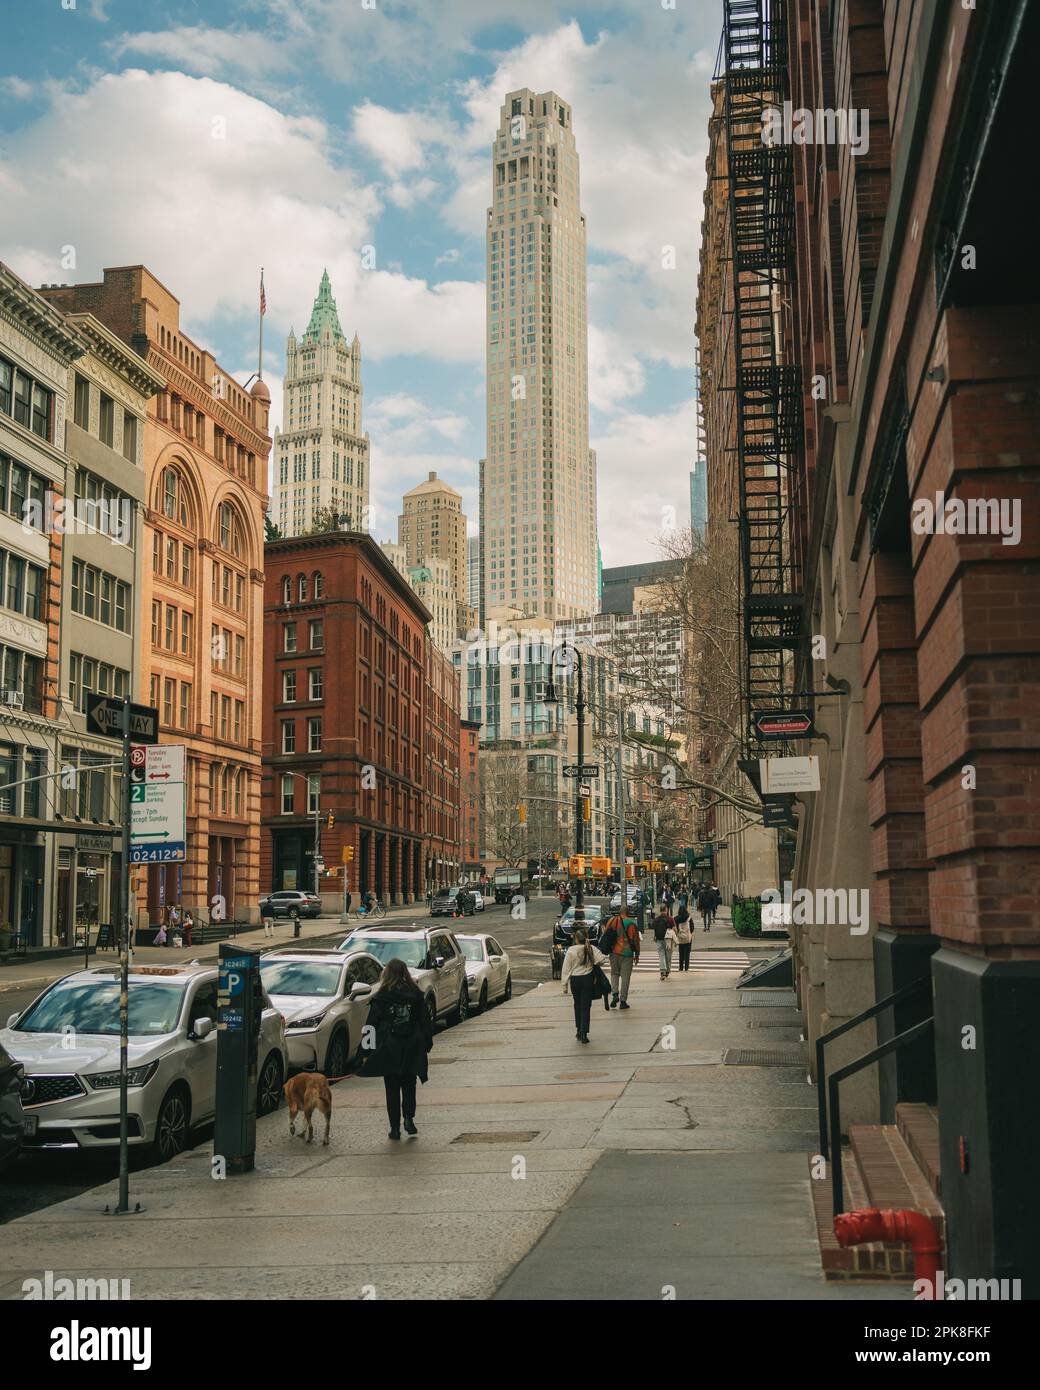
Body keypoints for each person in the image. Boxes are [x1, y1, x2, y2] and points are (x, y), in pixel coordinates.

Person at [359, 956, 434, 1140]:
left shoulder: (382, 995)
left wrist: (365, 1051)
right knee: (409, 1083)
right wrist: (426, 1043)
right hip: (411, 1046)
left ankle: (394, 1128)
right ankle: (409, 1117)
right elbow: (425, 1020)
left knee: (391, 1088)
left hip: (390, 1046)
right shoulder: (416, 994)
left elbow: (371, 1024)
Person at [561, 927, 609, 1044]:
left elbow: (566, 968)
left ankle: (578, 1029)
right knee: (586, 1007)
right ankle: (584, 1032)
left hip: (575, 980)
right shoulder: (591, 948)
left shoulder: (571, 950)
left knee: (577, 1005)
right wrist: (594, 962)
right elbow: (602, 959)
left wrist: (564, 985)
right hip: (587, 979)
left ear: (576, 939)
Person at [597, 908, 641, 1009]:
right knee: (625, 978)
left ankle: (615, 994)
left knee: (614, 974)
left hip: (614, 952)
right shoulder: (631, 923)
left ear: (619, 912)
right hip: (627, 953)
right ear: (628, 912)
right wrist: (637, 955)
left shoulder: (612, 920)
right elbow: (636, 940)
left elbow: (606, 934)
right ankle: (623, 1001)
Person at [651, 908, 677, 978]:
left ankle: (662, 971)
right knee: (668, 955)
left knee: (661, 955)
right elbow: (675, 929)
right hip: (668, 939)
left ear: (660, 911)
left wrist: (655, 937)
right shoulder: (670, 919)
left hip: (659, 939)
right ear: (666, 910)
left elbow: (654, 928)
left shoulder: (656, 919)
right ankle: (667, 971)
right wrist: (675, 938)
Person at [674, 902, 693, 971]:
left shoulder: (676, 919)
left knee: (681, 953)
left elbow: (674, 928)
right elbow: (692, 927)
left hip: (680, 937)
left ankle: (681, 967)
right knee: (687, 953)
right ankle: (686, 967)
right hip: (688, 937)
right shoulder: (689, 917)